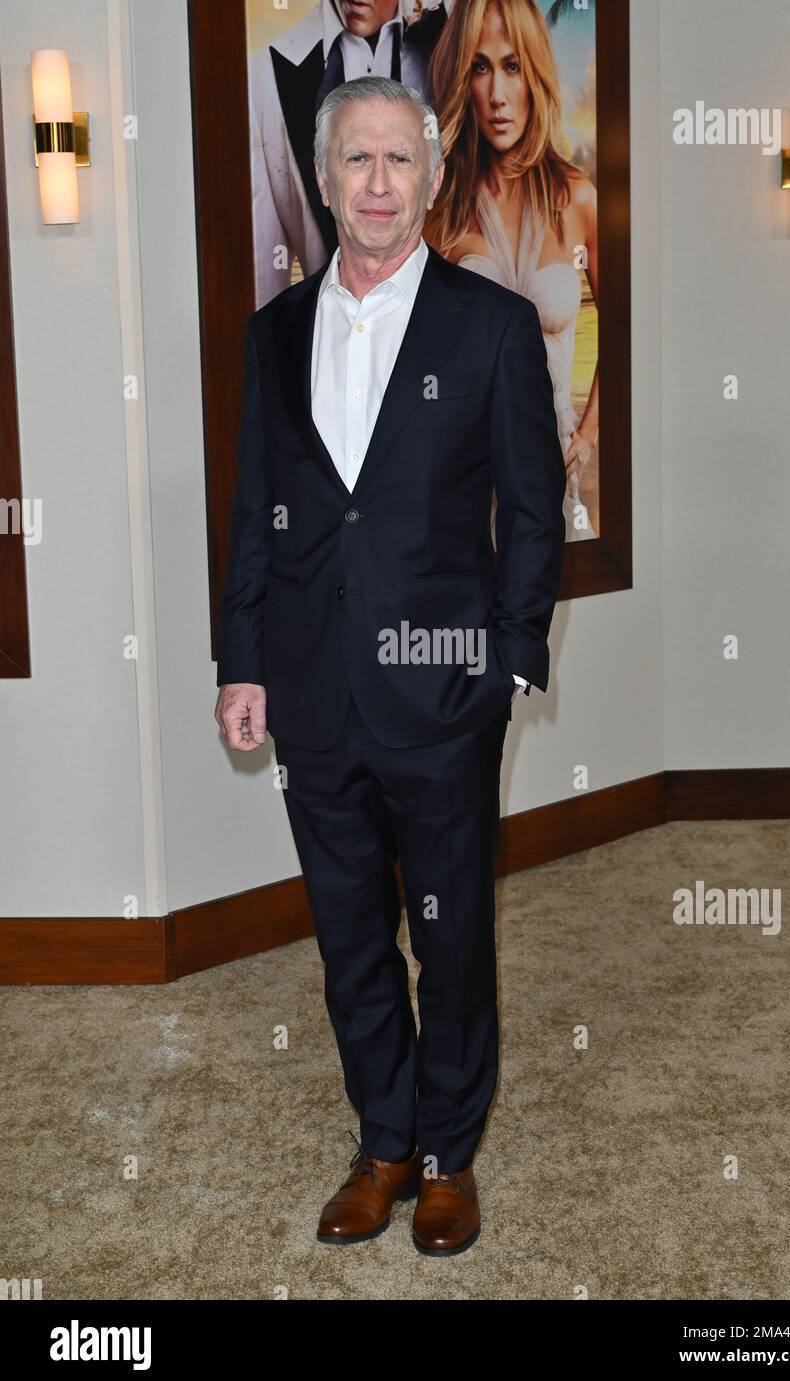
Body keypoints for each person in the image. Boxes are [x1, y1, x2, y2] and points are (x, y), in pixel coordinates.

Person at [215, 75, 565, 1255]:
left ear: (427, 179)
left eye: (397, 161)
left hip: (445, 693)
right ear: (323, 182)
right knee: (352, 931)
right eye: (354, 162)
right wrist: (241, 659)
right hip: (314, 696)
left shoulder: (492, 327)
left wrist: (511, 663)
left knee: (452, 932)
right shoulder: (272, 335)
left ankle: (449, 1154)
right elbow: (256, 506)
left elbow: (533, 503)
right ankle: (383, 1138)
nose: (375, 183)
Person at [425, 0, 598, 539]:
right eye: (480, 67)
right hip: (462, 486)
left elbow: (630, 332)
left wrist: (587, 435)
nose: (497, 94)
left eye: (512, 66)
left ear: (535, 75)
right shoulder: (438, 213)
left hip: (551, 478)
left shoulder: (576, 198)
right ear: (462, 80)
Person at [249, 0, 451, 305]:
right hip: (328, 331)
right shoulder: (265, 72)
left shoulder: (448, 47)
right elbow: (266, 273)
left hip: (446, 330)